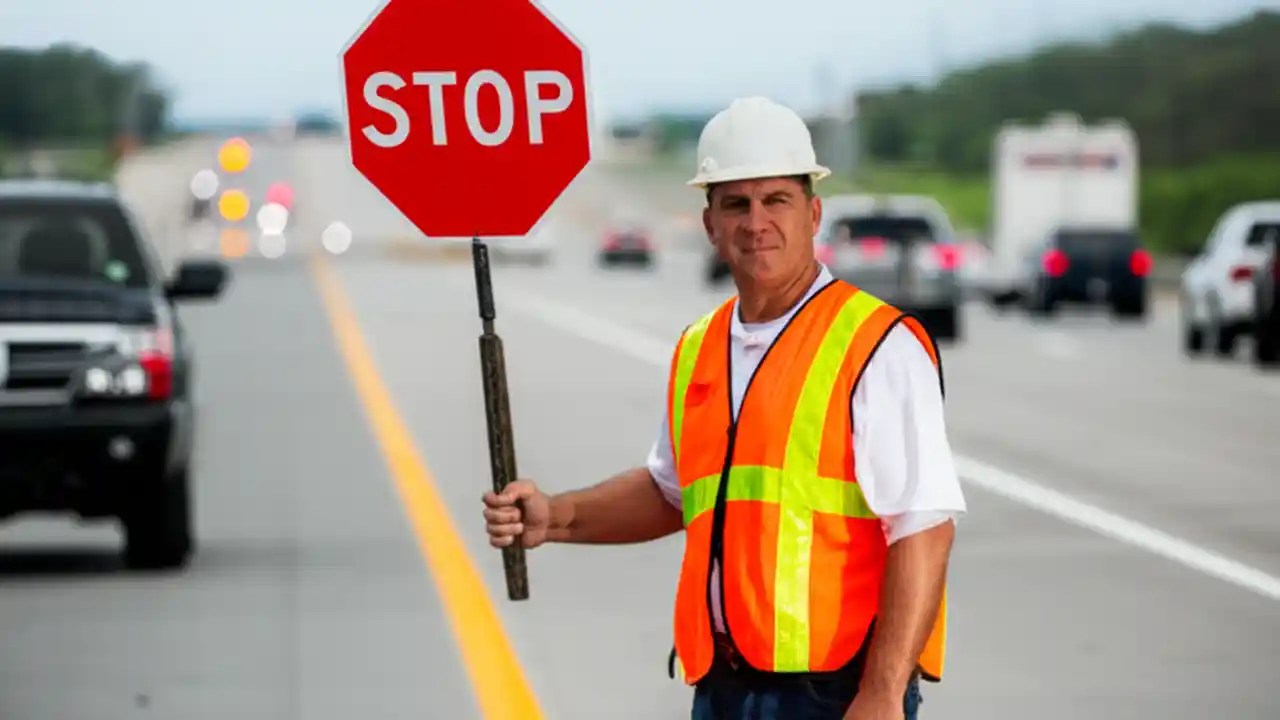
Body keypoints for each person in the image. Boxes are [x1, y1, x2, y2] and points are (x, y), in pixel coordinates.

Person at [482, 96, 967, 720]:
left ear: (813, 212)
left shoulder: (877, 344)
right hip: (722, 688)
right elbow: (672, 492)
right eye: (735, 203)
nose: (755, 221)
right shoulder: (699, 347)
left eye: (777, 200)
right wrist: (559, 516)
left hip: (836, 693)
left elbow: (923, 527)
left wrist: (881, 692)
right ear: (710, 223)